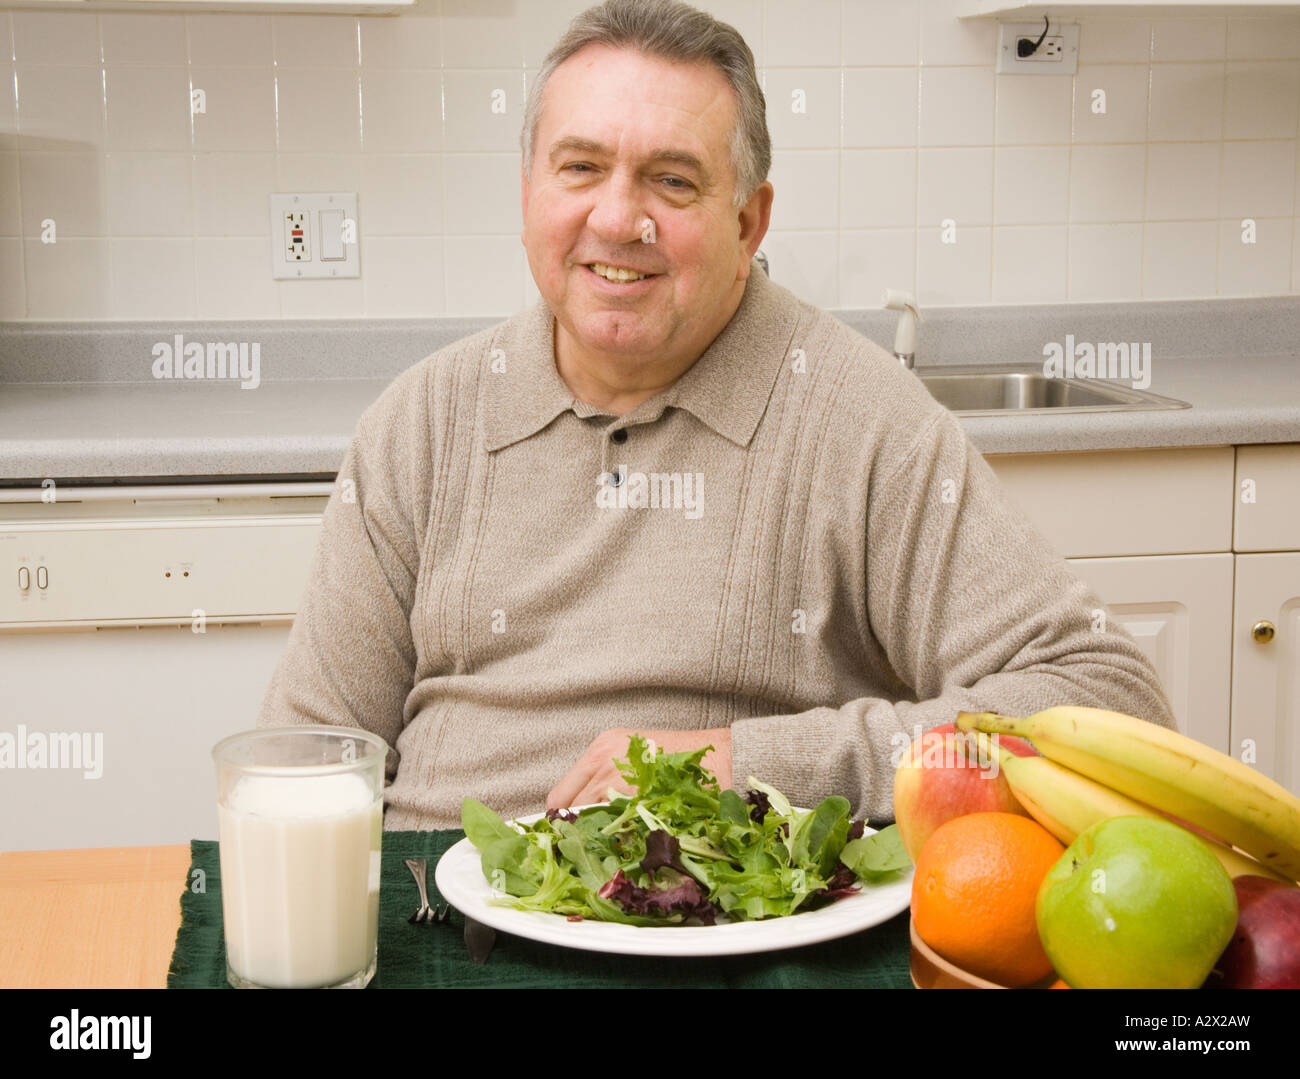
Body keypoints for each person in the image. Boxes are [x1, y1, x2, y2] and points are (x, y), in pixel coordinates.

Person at [257, 0, 1175, 829]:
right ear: (529, 191)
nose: (620, 220)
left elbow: (1106, 702)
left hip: (731, 935)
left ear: (749, 222)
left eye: (673, 181)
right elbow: (303, 761)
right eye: (580, 167)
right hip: (435, 915)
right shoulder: (422, 422)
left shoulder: (861, 420)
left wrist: (749, 764)